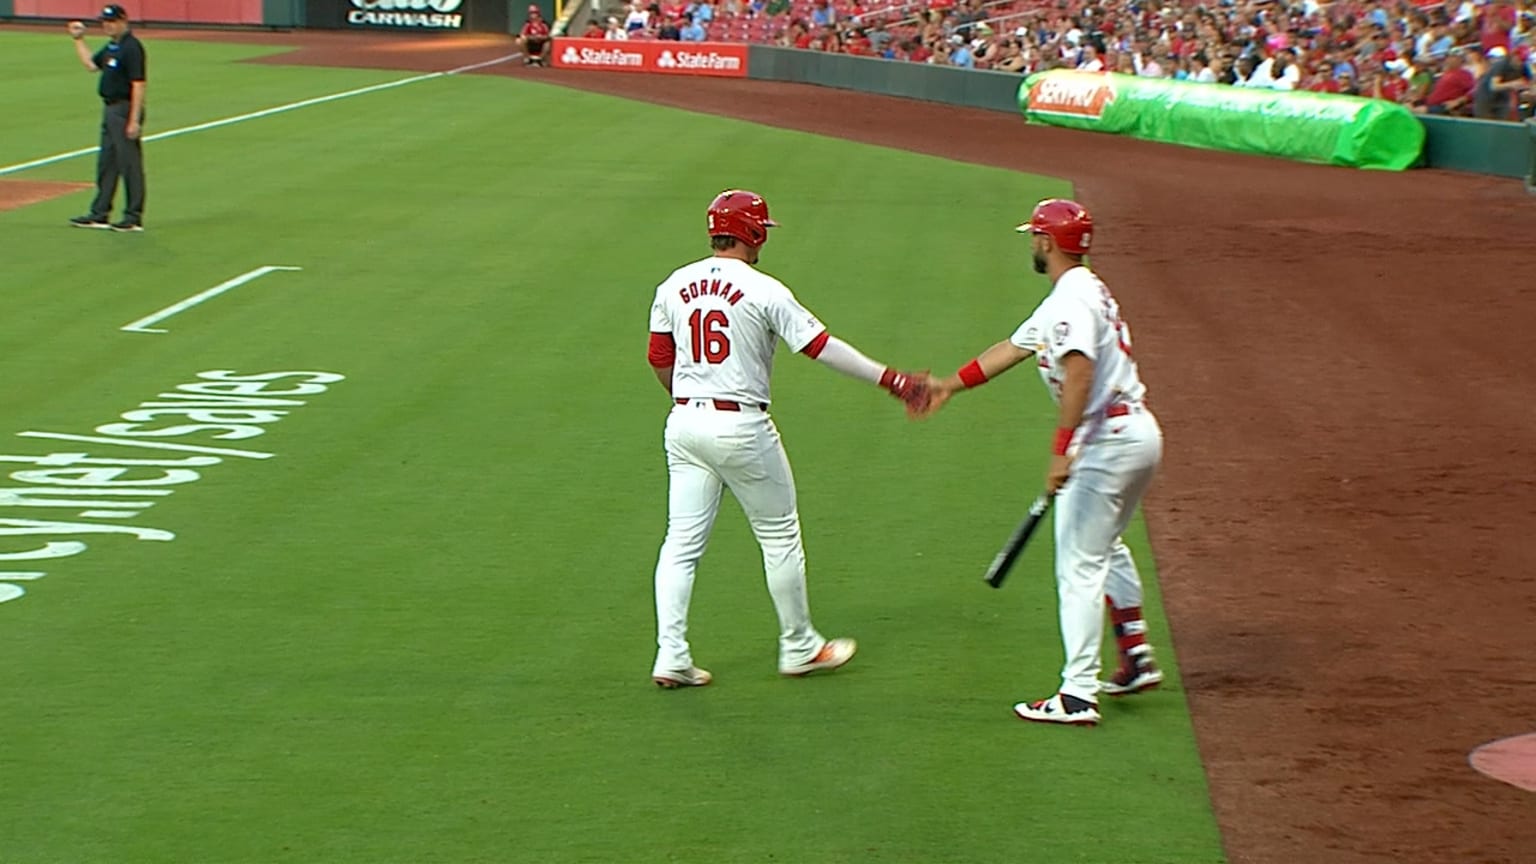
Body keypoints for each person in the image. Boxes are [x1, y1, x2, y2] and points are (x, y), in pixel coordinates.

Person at [644, 189, 926, 689]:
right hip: (742, 427)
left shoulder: (673, 284)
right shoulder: (764, 289)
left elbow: (658, 358)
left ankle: (672, 655)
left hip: (684, 424)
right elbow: (820, 347)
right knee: (778, 535)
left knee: (681, 544)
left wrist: (690, 397)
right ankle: (799, 646)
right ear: (750, 233)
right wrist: (892, 380)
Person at [915, 199, 1165, 727]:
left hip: (1107, 441)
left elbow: (1078, 372)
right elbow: (1012, 347)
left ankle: (1077, 696)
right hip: (1135, 435)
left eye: (1034, 236)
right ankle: (1136, 657)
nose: (1031, 243)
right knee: (1102, 545)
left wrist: (1061, 449)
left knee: (1077, 563)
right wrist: (949, 386)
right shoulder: (1076, 292)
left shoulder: (1072, 301)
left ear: (1047, 243)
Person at [66, 5, 146, 233]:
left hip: (124, 108)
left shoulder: (132, 47)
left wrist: (134, 119)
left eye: (111, 21)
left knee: (129, 164)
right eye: (104, 21)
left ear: (123, 20)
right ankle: (100, 213)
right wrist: (78, 40)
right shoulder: (113, 46)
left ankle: (133, 216)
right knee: (107, 163)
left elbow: (138, 84)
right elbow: (92, 65)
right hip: (110, 109)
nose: (107, 25)